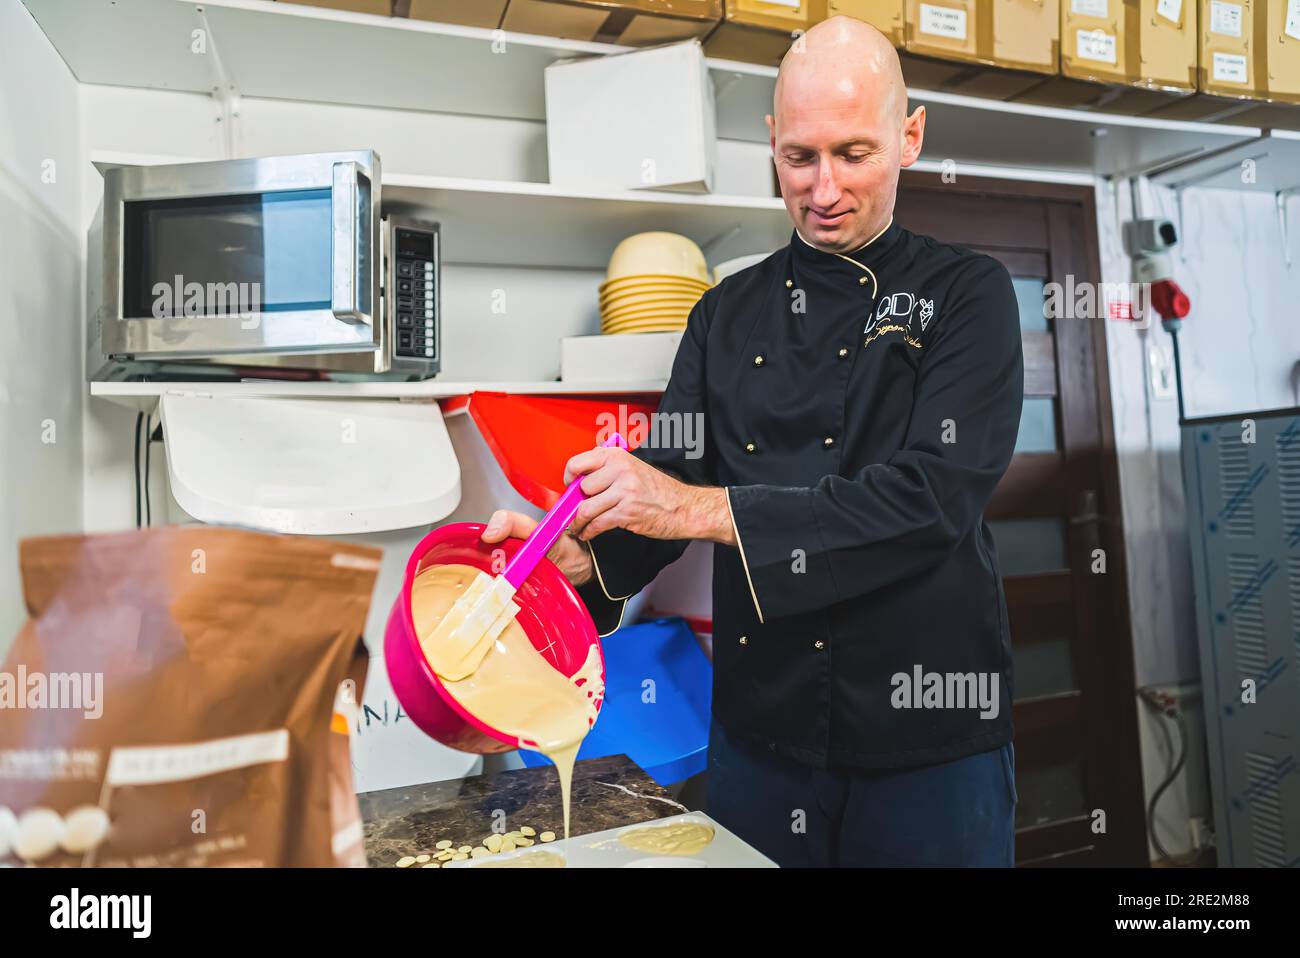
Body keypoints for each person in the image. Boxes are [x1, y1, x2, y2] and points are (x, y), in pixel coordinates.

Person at [483, 15, 1023, 867]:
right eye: (799, 157)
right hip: (762, 737)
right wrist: (583, 558)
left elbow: (931, 500)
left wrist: (697, 508)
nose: (824, 190)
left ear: (910, 136)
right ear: (770, 141)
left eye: (854, 154)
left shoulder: (968, 296)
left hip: (927, 737)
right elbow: (668, 474)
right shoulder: (724, 313)